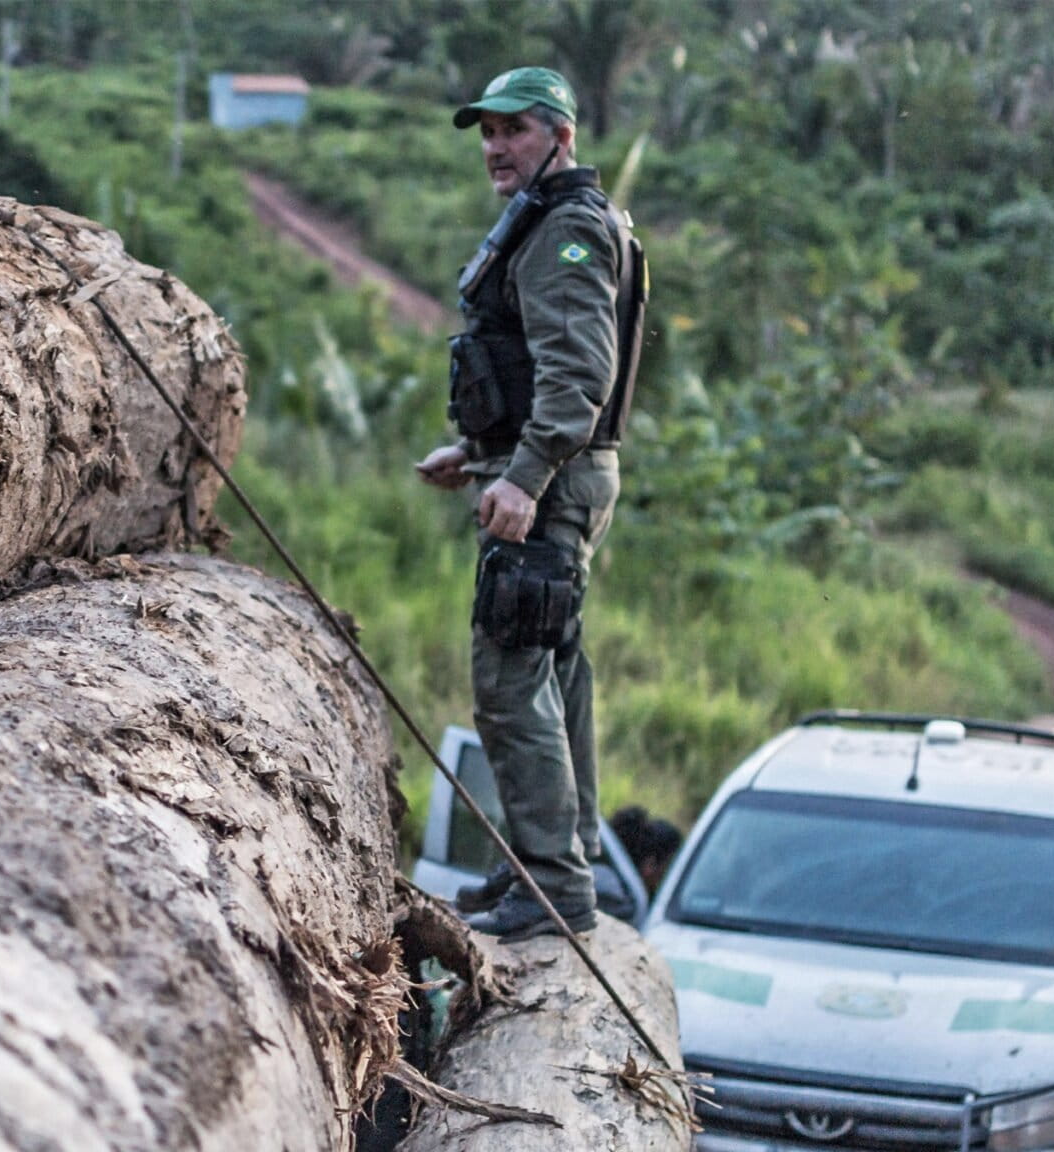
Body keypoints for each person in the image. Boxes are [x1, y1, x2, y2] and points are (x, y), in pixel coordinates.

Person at [416, 67, 646, 940]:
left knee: (512, 680)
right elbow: (526, 360)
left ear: (561, 135)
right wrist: (479, 456)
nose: (495, 147)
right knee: (555, 673)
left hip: (555, 481)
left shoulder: (569, 231)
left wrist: (524, 476)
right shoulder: (554, 221)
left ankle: (550, 889)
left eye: (513, 130)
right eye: (487, 131)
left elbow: (579, 375)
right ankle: (544, 863)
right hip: (545, 472)